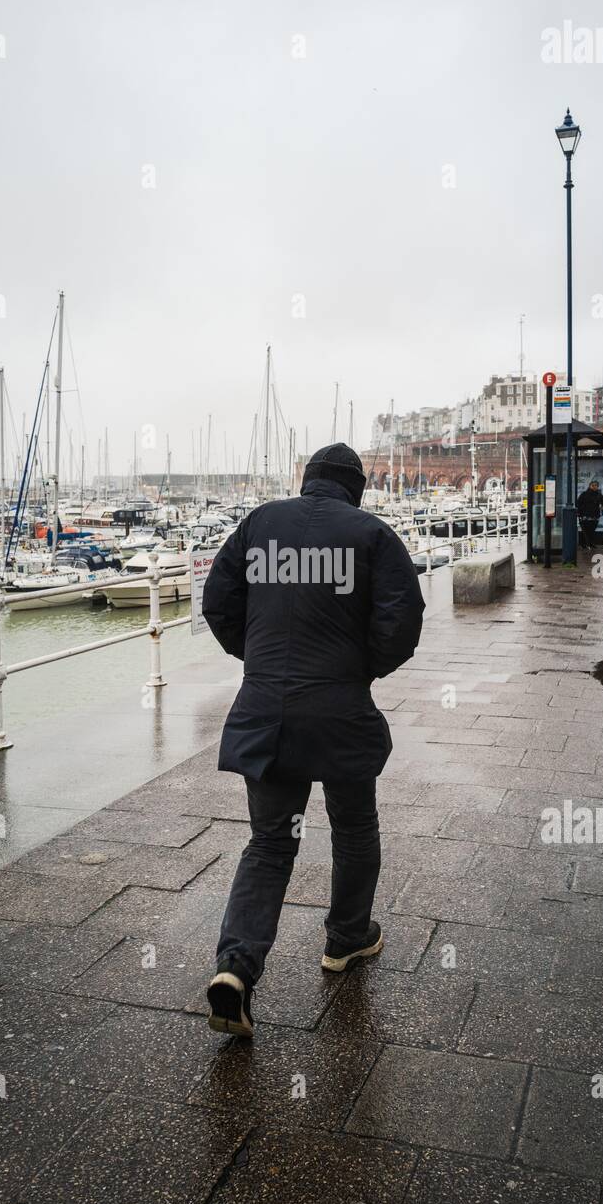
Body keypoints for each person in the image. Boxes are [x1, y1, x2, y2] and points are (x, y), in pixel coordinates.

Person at [201, 443, 425, 1038]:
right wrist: (360, 669)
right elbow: (402, 622)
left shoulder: (258, 525)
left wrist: (260, 660)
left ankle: (237, 968)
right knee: (353, 826)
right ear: (356, 486)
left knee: (270, 843)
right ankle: (347, 939)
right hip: (340, 709)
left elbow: (217, 602)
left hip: (265, 707)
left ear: (306, 480)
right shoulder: (372, 535)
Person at [576, 479, 603, 549]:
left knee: (591, 531)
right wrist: (579, 513)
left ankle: (590, 544)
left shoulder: (598, 495)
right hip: (585, 516)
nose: (594, 487)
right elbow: (578, 503)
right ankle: (587, 544)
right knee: (586, 531)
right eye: (593, 485)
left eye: (596, 485)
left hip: (594, 516)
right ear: (590, 486)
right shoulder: (584, 494)